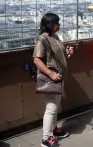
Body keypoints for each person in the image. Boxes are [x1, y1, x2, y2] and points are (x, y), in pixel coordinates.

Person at [33, 13, 74, 147]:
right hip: (51, 79)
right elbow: (36, 59)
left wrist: (67, 52)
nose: (59, 24)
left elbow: (56, 56)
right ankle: (46, 139)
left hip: (58, 79)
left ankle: (54, 130)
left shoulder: (55, 37)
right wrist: (51, 74)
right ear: (50, 25)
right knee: (51, 108)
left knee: (55, 107)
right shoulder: (42, 39)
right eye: (57, 23)